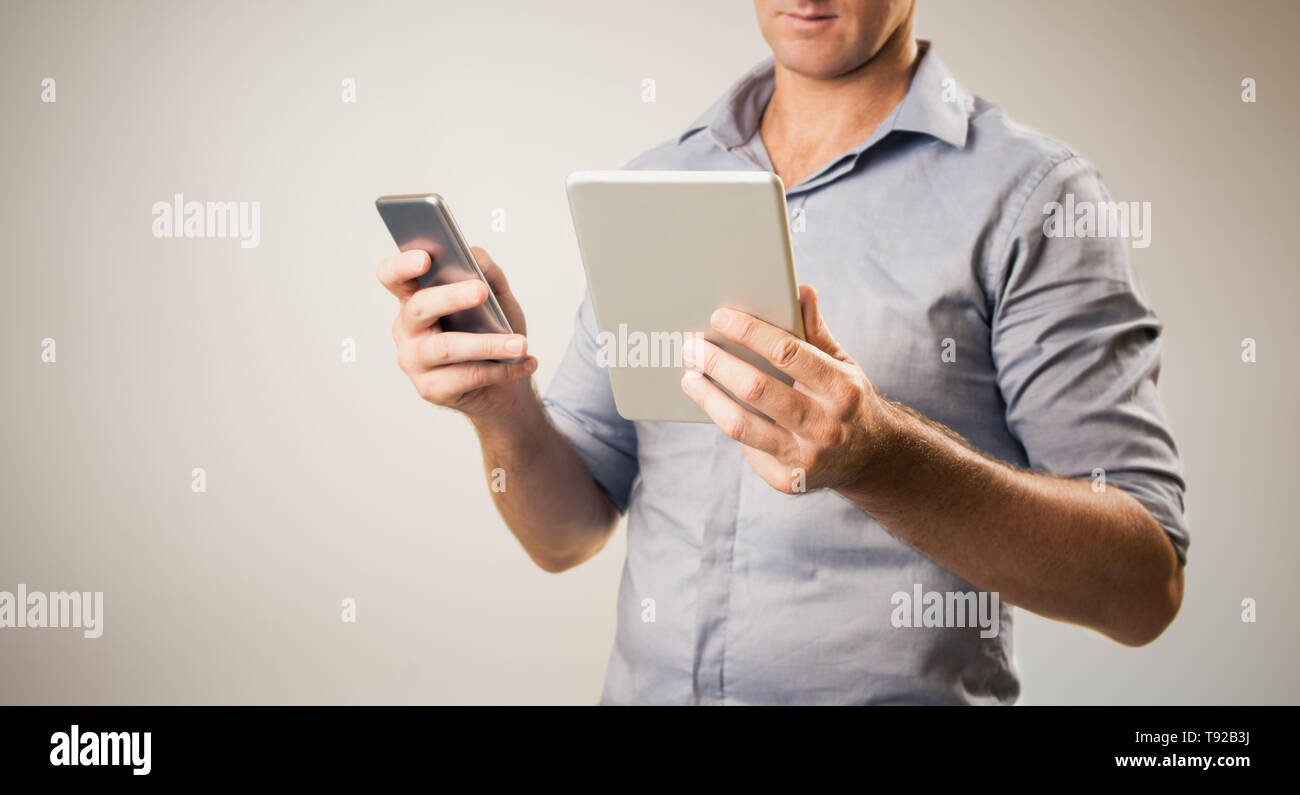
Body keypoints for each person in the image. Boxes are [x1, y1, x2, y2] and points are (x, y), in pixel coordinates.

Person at [376, 0, 1188, 705]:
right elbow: (565, 535)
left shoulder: (1034, 200)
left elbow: (1144, 587)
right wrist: (503, 408)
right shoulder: (659, 182)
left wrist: (878, 457)